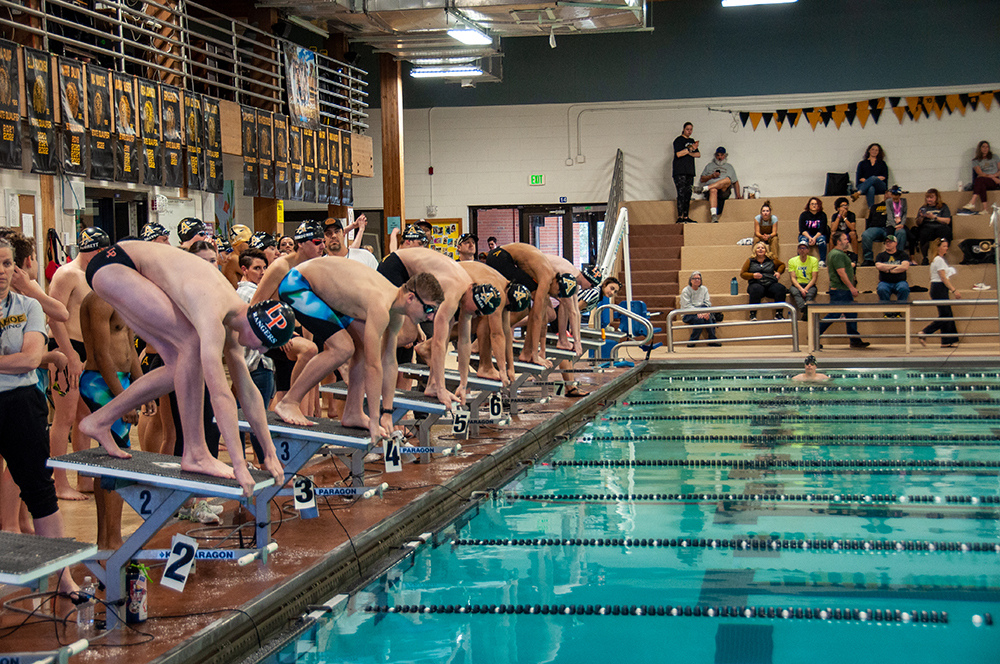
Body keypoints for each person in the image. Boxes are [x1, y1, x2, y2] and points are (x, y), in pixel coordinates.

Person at [79, 240, 296, 497]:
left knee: (179, 364)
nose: (260, 352)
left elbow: (247, 391)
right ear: (254, 327)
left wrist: (269, 452)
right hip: (115, 265)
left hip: (120, 266)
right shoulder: (213, 316)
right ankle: (195, 452)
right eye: (262, 345)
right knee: (190, 345)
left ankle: (99, 420)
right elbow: (221, 395)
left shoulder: (235, 316)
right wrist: (239, 465)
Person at [272, 258, 444, 445]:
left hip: (324, 291)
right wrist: (374, 419)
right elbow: (373, 366)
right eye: (429, 309)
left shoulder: (396, 312)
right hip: (297, 284)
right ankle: (289, 402)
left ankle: (353, 412)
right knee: (343, 348)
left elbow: (389, 361)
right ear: (411, 298)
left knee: (362, 343)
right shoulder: (381, 305)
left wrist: (387, 414)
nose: (431, 316)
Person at [0, 238, 78, 596]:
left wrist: (38, 358)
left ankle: (63, 576)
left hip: (21, 404)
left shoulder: (28, 305)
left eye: (6, 264)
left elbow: (31, 359)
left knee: (39, 490)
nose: (1, 273)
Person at [379, 247, 502, 408]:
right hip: (395, 266)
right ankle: (366, 352)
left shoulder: (467, 297)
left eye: (479, 313)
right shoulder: (453, 293)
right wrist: (443, 389)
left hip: (415, 275)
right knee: (407, 334)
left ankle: (432, 384)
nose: (474, 314)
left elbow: (464, 342)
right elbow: (437, 342)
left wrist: (463, 384)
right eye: (476, 309)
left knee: (445, 330)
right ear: (472, 290)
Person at [48, 226, 112, 500]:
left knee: (85, 417)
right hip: (66, 350)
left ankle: (84, 477)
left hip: (87, 352)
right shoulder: (67, 274)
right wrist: (70, 355)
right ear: (93, 250)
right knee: (63, 419)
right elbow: (54, 317)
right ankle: (59, 482)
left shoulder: (95, 275)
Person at [78, 290, 145, 549]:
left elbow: (130, 345)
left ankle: (105, 540)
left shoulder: (123, 297)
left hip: (121, 382)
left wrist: (141, 387)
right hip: (100, 383)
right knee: (118, 459)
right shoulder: (99, 299)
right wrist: (122, 399)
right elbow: (101, 353)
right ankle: (112, 540)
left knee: (109, 460)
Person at [485, 242, 561, 367]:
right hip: (500, 257)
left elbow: (544, 317)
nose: (557, 296)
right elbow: (537, 317)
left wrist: (542, 349)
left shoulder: (547, 276)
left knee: (536, 306)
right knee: (533, 304)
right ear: (556, 282)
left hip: (500, 256)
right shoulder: (546, 277)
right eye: (558, 293)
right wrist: (536, 356)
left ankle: (527, 352)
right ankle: (528, 353)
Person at [458, 260, 515, 386]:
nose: (505, 310)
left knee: (481, 319)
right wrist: (503, 371)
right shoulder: (498, 293)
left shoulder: (503, 284)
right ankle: (485, 367)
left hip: (459, 277)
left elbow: (506, 331)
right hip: (451, 280)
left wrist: (511, 367)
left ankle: (485, 366)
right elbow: (497, 334)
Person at [817, 231, 870, 350]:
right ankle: (815, 334)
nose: (847, 241)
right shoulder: (837, 254)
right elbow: (841, 272)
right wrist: (852, 287)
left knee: (851, 314)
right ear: (838, 242)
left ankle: (855, 339)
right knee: (834, 314)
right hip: (841, 290)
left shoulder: (834, 254)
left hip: (841, 289)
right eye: (845, 239)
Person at [920, 238, 961, 348]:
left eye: (947, 246)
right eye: (943, 246)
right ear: (938, 248)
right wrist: (954, 290)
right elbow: (943, 277)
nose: (946, 248)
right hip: (939, 288)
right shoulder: (938, 260)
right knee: (945, 315)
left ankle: (946, 340)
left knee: (947, 313)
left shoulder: (939, 260)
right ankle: (925, 332)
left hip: (939, 288)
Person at [740, 242, 787, 321]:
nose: (760, 249)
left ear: (766, 250)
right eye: (758, 248)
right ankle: (753, 314)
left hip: (770, 284)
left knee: (781, 288)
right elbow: (742, 274)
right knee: (755, 289)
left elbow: (782, 265)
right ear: (755, 250)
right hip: (756, 284)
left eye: (763, 248)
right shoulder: (750, 261)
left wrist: (778, 272)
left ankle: (779, 314)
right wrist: (752, 275)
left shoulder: (772, 259)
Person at [678, 271, 722, 346]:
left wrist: (705, 312)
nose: (697, 280)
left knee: (708, 317)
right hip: (688, 313)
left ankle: (712, 340)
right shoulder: (686, 291)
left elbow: (707, 302)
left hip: (702, 310)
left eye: (699, 278)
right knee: (699, 319)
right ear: (690, 280)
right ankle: (692, 341)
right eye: (694, 278)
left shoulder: (704, 289)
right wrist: (698, 312)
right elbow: (686, 306)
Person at [699, 147, 740, 223]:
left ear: (725, 156)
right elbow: (702, 179)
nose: (720, 157)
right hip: (711, 191)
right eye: (718, 155)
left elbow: (735, 182)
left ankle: (705, 188)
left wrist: (738, 195)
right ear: (715, 156)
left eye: (721, 155)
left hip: (724, 190)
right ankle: (714, 216)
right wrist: (712, 176)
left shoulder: (729, 167)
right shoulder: (709, 166)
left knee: (727, 180)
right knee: (713, 190)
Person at [959, 141, 1000, 215]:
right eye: (983, 147)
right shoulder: (976, 161)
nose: (985, 149)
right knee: (981, 183)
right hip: (988, 179)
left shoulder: (995, 157)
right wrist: (993, 177)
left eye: (987, 147)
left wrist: (995, 176)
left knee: (979, 180)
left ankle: (972, 201)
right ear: (980, 148)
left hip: (994, 181)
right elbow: (980, 173)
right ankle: (985, 209)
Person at [914, 188, 952, 265]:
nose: (929, 199)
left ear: (936, 198)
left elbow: (947, 220)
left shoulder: (943, 207)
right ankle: (925, 257)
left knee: (945, 231)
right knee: (923, 233)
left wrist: (934, 217)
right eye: (927, 197)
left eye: (931, 197)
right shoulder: (923, 208)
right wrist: (921, 217)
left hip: (940, 226)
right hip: (927, 226)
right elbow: (917, 223)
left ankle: (942, 256)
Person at [671, 122, 700, 224]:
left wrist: (689, 151)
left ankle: (686, 216)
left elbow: (698, 154)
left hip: (690, 171)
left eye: (691, 129)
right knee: (681, 193)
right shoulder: (678, 140)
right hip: (680, 171)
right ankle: (680, 216)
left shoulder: (691, 141)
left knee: (688, 194)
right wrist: (689, 149)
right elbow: (678, 154)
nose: (689, 131)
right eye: (687, 129)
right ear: (683, 129)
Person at [874, 234, 910, 312]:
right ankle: (887, 311)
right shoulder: (880, 255)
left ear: (896, 243)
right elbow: (878, 266)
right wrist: (896, 266)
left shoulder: (902, 254)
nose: (888, 243)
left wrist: (888, 269)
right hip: (885, 282)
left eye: (890, 242)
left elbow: (904, 267)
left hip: (900, 281)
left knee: (904, 288)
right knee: (881, 289)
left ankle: (900, 310)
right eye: (886, 242)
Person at [786, 239, 819, 321]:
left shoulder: (814, 260)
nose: (802, 250)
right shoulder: (792, 261)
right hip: (797, 284)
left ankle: (806, 312)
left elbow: (814, 278)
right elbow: (793, 278)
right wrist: (801, 289)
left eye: (804, 248)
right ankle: (805, 310)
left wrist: (806, 289)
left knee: (810, 294)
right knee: (795, 292)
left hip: (809, 284)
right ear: (797, 250)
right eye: (800, 248)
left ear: (808, 250)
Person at [853, 143, 888, 209]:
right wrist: (869, 182)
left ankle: (858, 193)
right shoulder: (862, 163)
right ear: (869, 150)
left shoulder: (882, 163)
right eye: (873, 149)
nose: (874, 151)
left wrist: (870, 180)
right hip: (864, 185)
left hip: (880, 186)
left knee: (873, 178)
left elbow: (884, 177)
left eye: (876, 150)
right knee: (871, 188)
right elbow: (860, 178)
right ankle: (871, 209)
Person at [798, 197, 829, 265]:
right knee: (803, 242)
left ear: (819, 205)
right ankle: (800, 260)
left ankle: (822, 260)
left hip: (819, 235)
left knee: (822, 241)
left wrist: (814, 238)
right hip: (806, 234)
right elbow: (802, 230)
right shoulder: (803, 215)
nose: (814, 205)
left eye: (816, 204)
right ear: (808, 205)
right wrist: (810, 238)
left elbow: (822, 229)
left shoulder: (823, 215)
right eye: (812, 204)